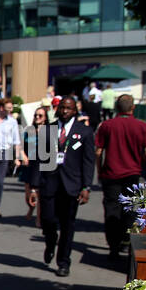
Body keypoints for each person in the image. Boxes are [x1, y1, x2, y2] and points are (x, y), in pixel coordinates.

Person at [32, 96, 95, 277]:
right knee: (48, 220)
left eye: (69, 108)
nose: (65, 111)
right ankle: (51, 242)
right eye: (62, 108)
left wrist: (86, 187)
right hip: (49, 183)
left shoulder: (84, 131)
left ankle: (63, 262)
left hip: (72, 185)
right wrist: (34, 186)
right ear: (57, 110)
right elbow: (39, 159)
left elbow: (88, 162)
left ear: (75, 110)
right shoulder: (48, 129)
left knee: (68, 225)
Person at [94, 93, 146, 260]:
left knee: (112, 210)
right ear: (133, 107)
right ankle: (126, 240)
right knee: (130, 210)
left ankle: (113, 245)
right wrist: (139, 160)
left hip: (111, 173)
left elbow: (98, 151)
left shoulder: (106, 125)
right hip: (132, 174)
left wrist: (99, 170)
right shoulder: (142, 126)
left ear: (116, 108)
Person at [21, 105, 51, 221]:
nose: (37, 117)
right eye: (36, 115)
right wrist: (23, 156)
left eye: (40, 115)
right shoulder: (29, 130)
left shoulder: (49, 130)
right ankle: (31, 208)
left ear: (45, 118)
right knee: (28, 194)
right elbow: (21, 146)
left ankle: (39, 218)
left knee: (40, 193)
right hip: (30, 164)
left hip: (42, 164)